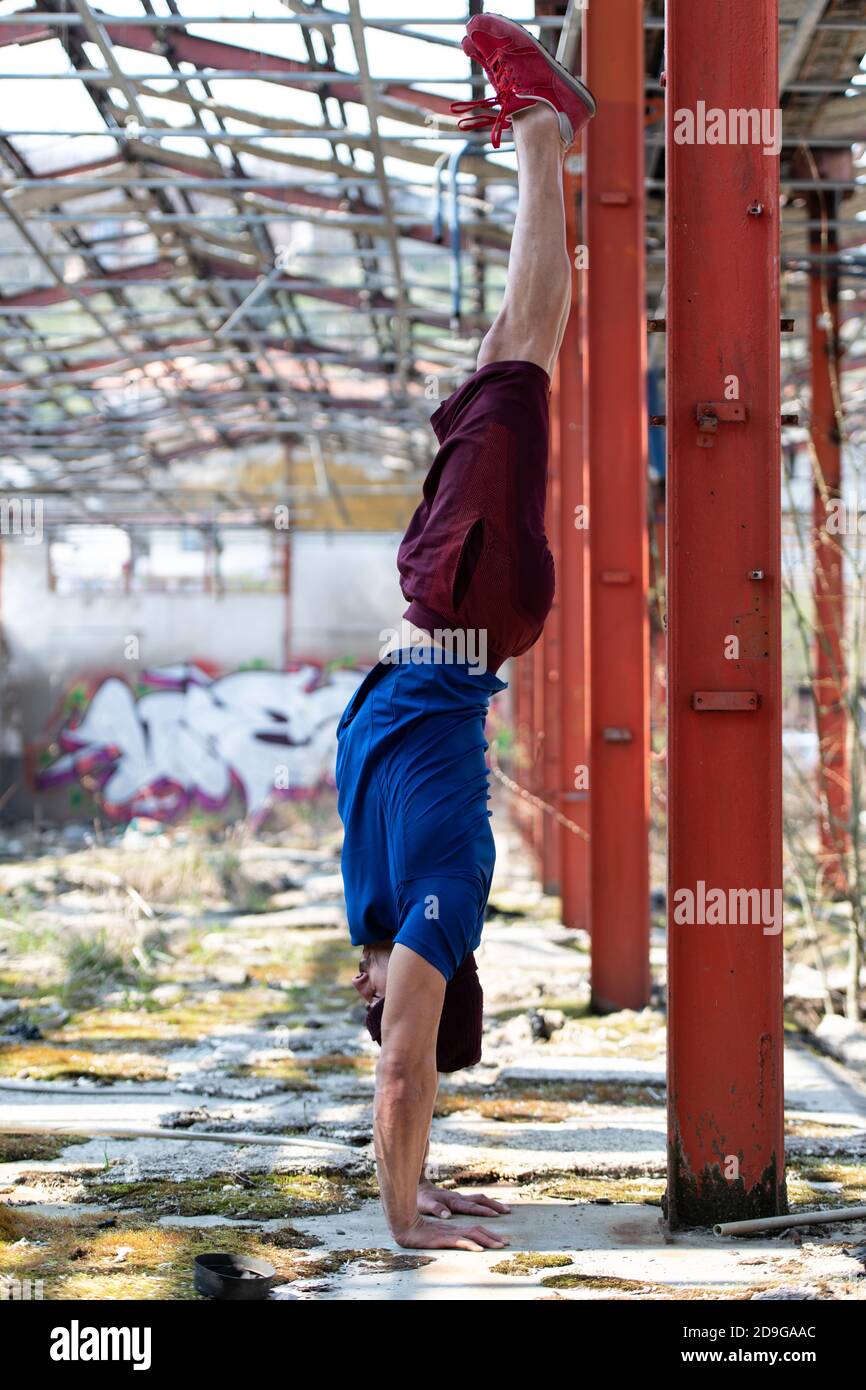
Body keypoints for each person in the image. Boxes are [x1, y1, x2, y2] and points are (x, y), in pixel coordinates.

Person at [335, 14, 596, 1252]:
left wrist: (419, 1177)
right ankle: (542, 122)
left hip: (452, 605)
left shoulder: (381, 913)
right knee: (523, 360)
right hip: (464, 609)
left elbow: (402, 1087)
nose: (367, 1003)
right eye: (386, 1006)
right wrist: (403, 1228)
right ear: (428, 994)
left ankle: (539, 133)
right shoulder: (438, 907)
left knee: (503, 361)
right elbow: (401, 1076)